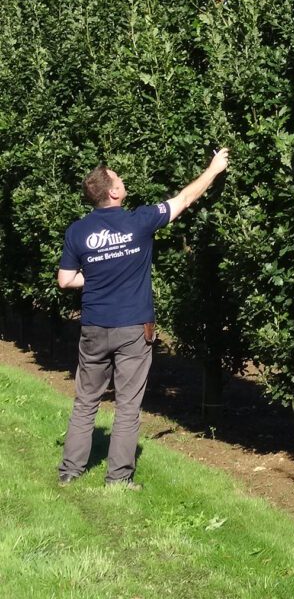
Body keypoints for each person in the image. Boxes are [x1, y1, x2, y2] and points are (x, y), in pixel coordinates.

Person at [57, 148, 230, 487]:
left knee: (86, 401)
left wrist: (97, 274)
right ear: (113, 192)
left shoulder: (77, 231)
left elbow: (65, 280)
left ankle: (69, 472)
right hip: (133, 328)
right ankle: (118, 479)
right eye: (119, 179)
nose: (123, 181)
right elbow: (185, 199)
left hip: (94, 326)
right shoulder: (140, 220)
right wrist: (213, 170)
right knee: (127, 405)